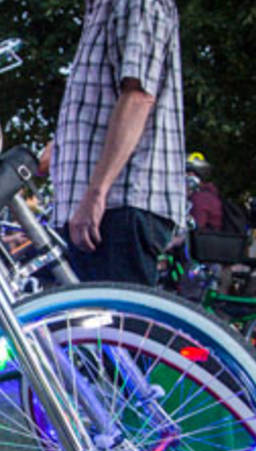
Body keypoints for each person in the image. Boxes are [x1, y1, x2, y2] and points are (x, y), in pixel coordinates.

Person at [48, 0, 187, 286]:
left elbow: (138, 98)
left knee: (120, 326)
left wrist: (96, 194)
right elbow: (98, 108)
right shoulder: (100, 9)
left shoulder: (134, 3)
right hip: (100, 207)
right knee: (94, 326)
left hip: (119, 203)